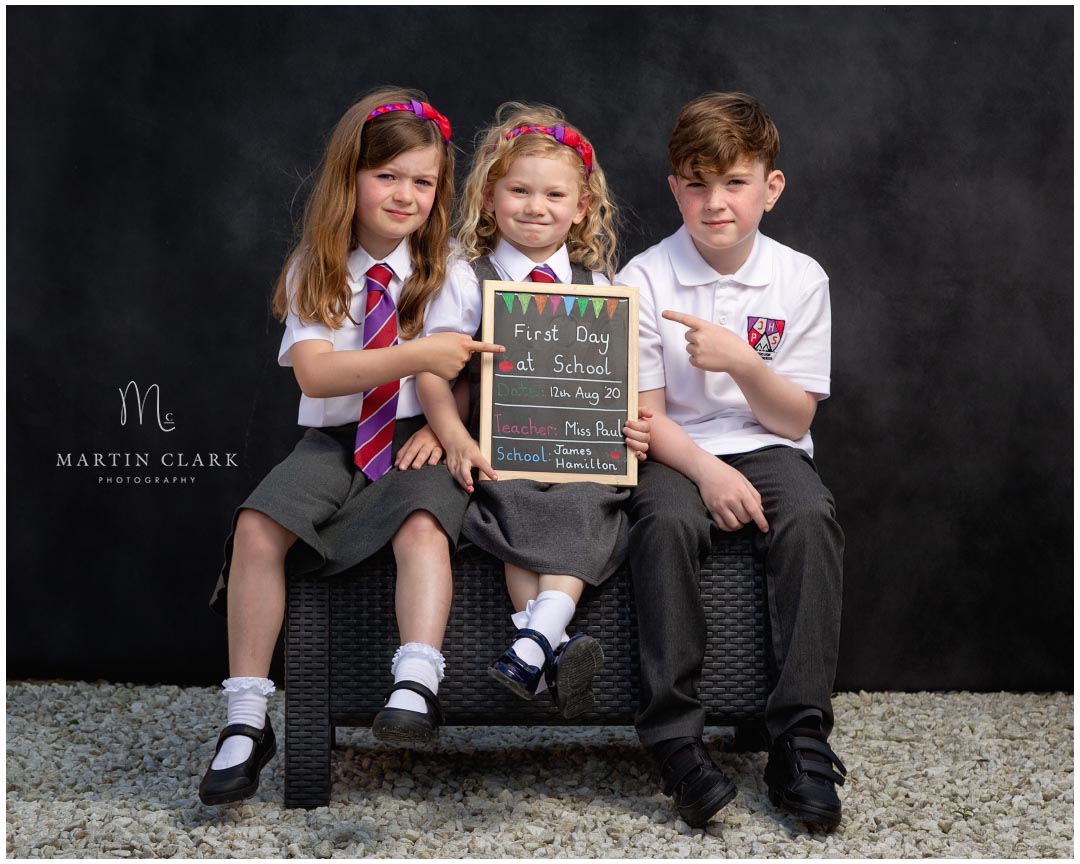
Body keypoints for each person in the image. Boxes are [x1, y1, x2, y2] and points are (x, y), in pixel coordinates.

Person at [199, 88, 503, 806]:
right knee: (255, 526)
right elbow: (319, 371)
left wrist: (443, 423)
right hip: (334, 440)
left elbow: (461, 369)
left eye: (422, 182)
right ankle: (245, 716)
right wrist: (418, 351)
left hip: (414, 437)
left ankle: (417, 678)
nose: (405, 195)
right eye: (387, 175)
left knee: (425, 522)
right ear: (351, 179)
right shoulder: (321, 264)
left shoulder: (451, 270)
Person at [617, 92, 847, 830]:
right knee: (663, 526)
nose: (715, 203)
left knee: (811, 518)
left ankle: (799, 735)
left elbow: (795, 417)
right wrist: (710, 473)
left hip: (768, 442)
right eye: (696, 183)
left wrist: (744, 363)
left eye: (735, 182)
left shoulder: (800, 279)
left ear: (769, 189)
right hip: (674, 449)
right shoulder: (643, 278)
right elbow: (649, 416)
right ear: (674, 187)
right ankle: (676, 738)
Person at [416, 103, 651, 718]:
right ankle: (549, 641)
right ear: (490, 198)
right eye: (519, 191)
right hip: (502, 440)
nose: (535, 207)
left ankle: (533, 641)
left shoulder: (600, 286)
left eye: (553, 195)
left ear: (581, 207)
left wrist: (629, 425)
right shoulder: (468, 277)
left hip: (583, 445)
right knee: (512, 502)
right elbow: (431, 370)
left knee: (588, 499)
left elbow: (620, 379)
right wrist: (452, 438)